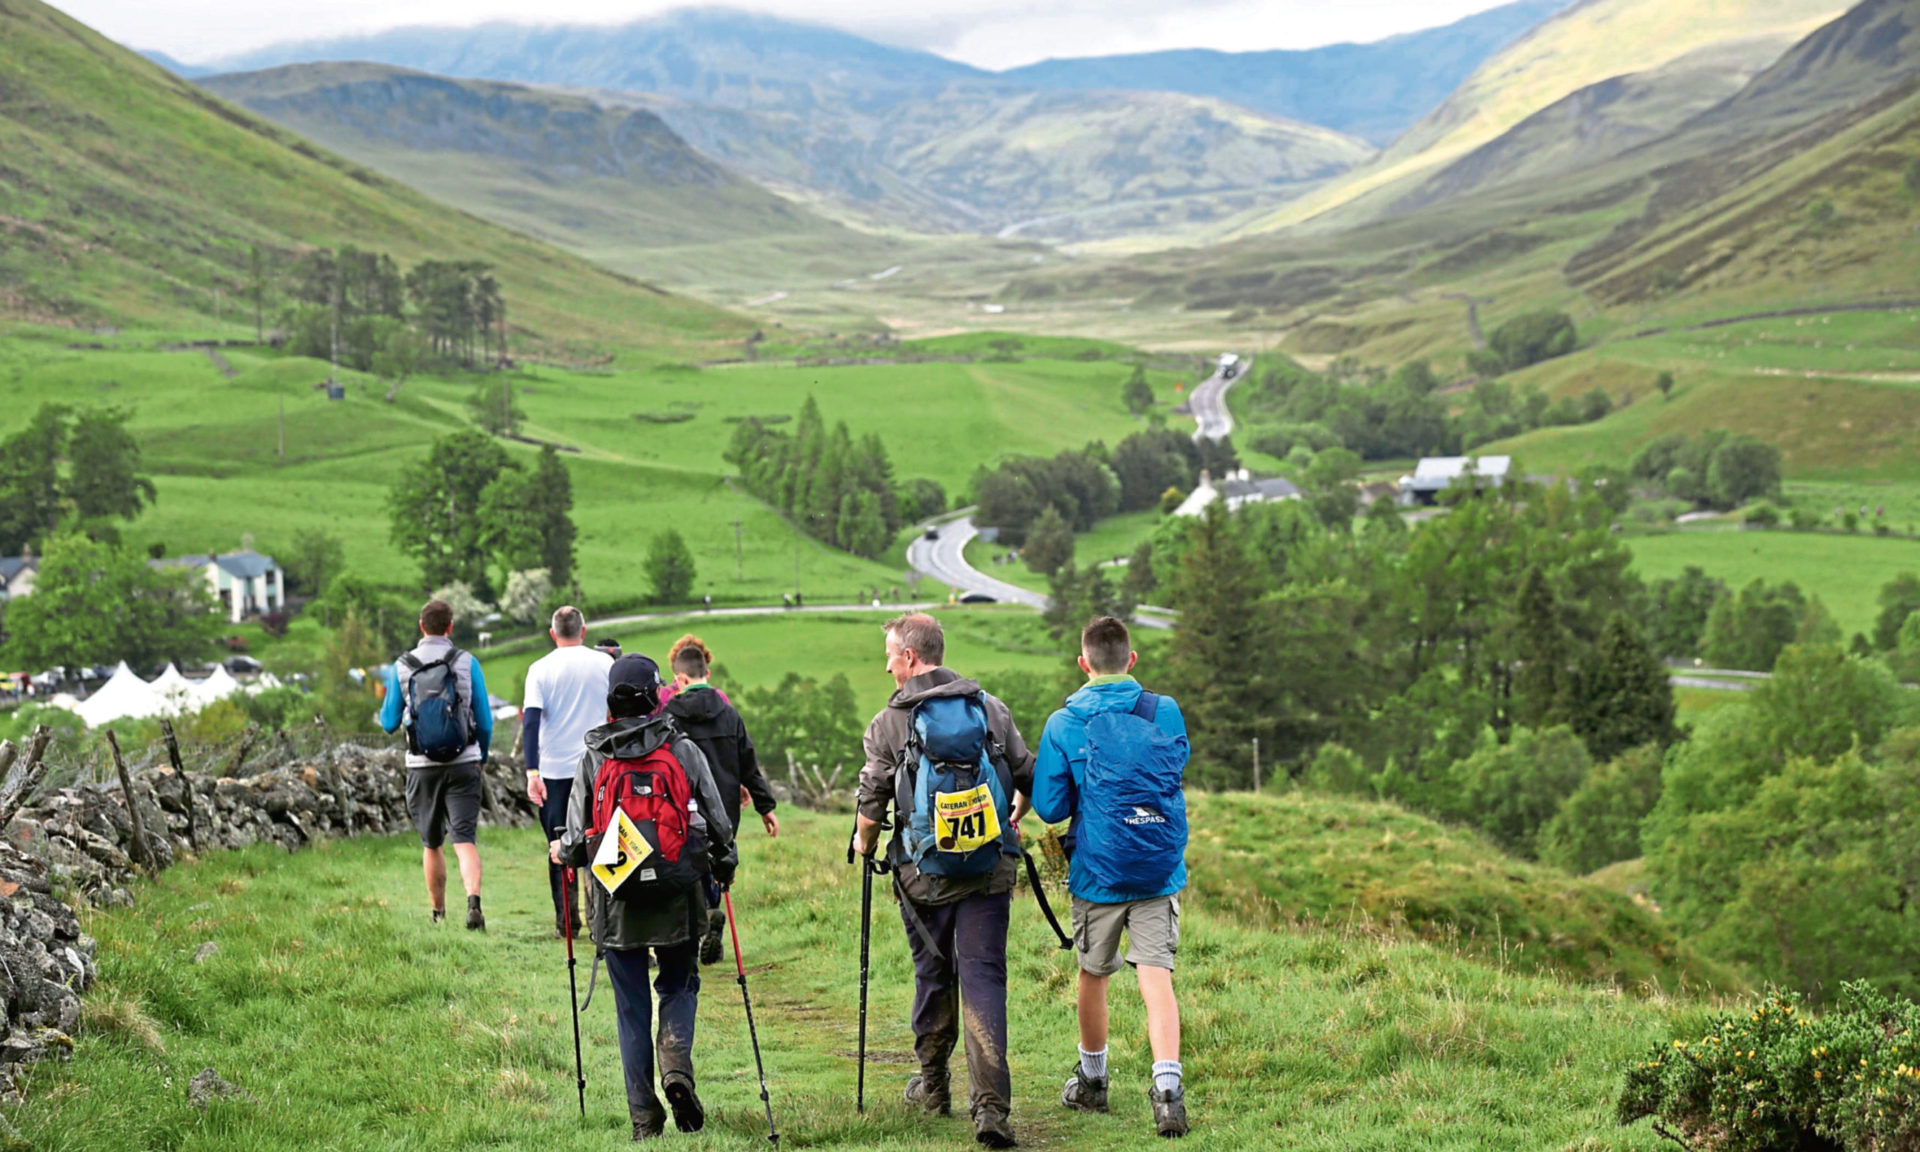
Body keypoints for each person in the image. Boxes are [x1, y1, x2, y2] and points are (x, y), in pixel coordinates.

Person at [853, 612, 1034, 1149]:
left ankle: (934, 1089)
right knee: (984, 979)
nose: (887, 663)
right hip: (987, 870)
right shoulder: (990, 709)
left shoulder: (889, 722)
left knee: (933, 974)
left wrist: (863, 842)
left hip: (923, 876)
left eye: (890, 653)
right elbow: (1028, 775)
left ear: (911, 657)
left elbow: (871, 803)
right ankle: (992, 1110)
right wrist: (1011, 819)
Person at [551, 654, 738, 1140]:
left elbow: (574, 842)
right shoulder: (681, 749)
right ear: (656, 694)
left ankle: (644, 1119)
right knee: (678, 985)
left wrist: (560, 850)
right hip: (677, 890)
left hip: (617, 902)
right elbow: (718, 822)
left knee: (631, 1007)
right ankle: (675, 1063)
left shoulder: (595, 755)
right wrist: (725, 862)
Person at [1029, 617, 1191, 1138]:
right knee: (1156, 976)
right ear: (1132, 659)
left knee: (1094, 973)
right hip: (1157, 867)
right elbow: (1174, 770)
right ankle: (1167, 1092)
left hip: (1097, 871)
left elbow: (1051, 808)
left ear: (1083, 664)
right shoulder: (1163, 710)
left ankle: (1093, 1082)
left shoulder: (1063, 722)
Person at [662, 634, 778, 965]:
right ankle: (713, 913)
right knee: (718, 863)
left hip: (682, 808)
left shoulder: (669, 716)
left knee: (687, 864)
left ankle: (698, 924)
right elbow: (748, 763)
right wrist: (765, 807)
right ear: (706, 674)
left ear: (679, 679)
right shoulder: (729, 715)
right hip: (724, 807)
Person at [378, 598, 494, 930]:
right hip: (464, 762)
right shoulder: (467, 662)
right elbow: (485, 722)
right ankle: (473, 902)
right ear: (450, 627)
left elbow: (387, 722)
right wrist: (481, 757)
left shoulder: (401, 666)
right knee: (464, 840)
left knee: (432, 843)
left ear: (421, 626)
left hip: (421, 765)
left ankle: (439, 915)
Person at [523, 606, 615, 938]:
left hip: (555, 770)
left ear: (553, 633)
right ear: (583, 631)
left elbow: (531, 722)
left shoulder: (539, 669)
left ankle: (566, 920)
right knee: (598, 840)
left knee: (558, 843)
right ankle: (599, 918)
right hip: (599, 768)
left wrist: (532, 772)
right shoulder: (605, 664)